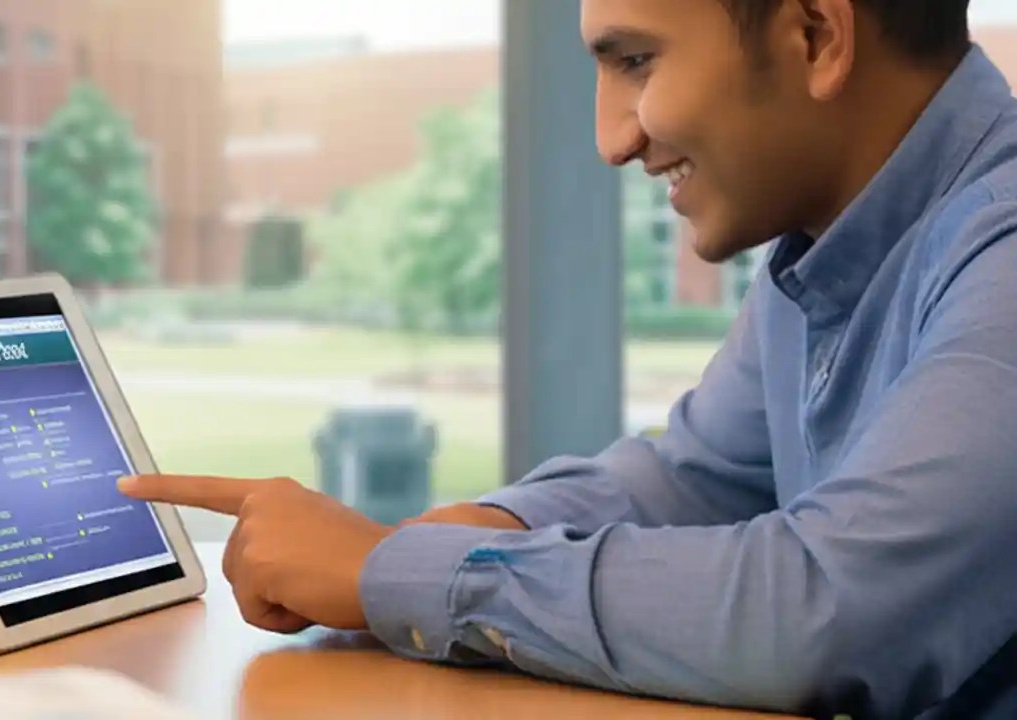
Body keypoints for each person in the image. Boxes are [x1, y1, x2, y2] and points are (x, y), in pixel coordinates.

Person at [117, 0, 1017, 717]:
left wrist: (389, 574)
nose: (611, 138)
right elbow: (693, 481)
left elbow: (831, 613)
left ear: (816, 34)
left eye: (636, 62)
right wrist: (450, 537)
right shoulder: (827, 245)